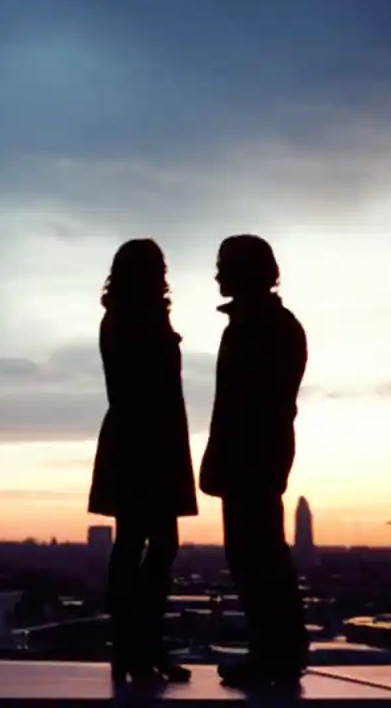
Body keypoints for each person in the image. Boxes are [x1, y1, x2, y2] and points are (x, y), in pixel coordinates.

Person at [199, 235, 308, 689]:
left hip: (253, 456)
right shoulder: (262, 324)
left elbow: (253, 403)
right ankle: (274, 650)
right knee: (254, 554)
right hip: (251, 456)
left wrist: (228, 454)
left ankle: (275, 653)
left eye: (224, 265)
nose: (218, 274)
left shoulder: (263, 327)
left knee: (256, 554)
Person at [88, 239, 196, 685]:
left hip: (152, 439)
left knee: (144, 545)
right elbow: (140, 385)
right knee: (141, 544)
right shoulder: (130, 320)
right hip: (143, 440)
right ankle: (137, 647)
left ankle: (138, 648)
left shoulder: (136, 317)